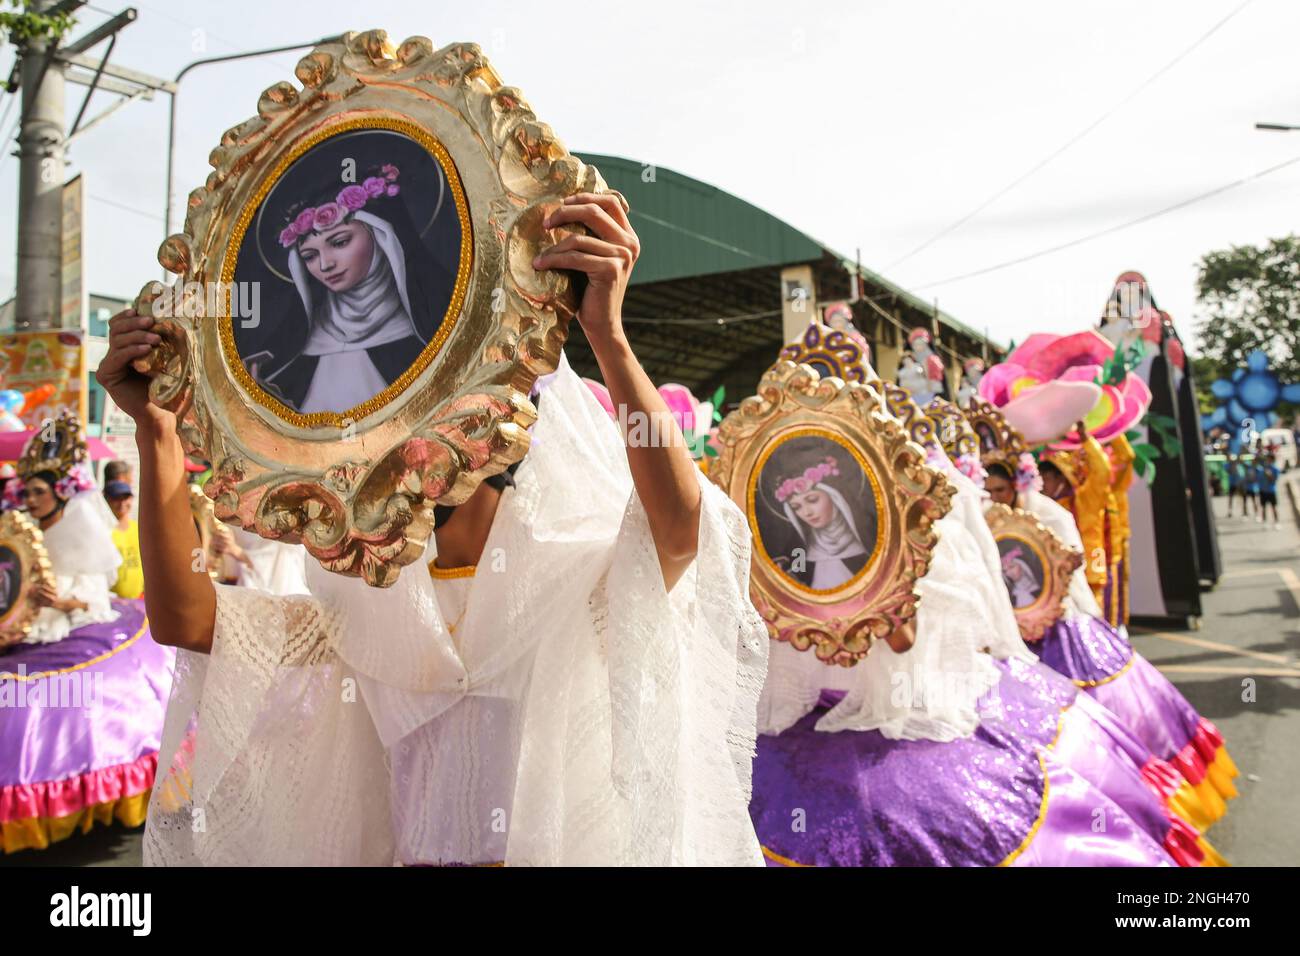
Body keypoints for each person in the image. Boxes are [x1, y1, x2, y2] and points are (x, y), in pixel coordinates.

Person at [97, 192, 769, 867]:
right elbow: (188, 622)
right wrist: (155, 430)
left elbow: (679, 533)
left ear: (499, 413)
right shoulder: (368, 593)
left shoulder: (571, 576)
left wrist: (609, 338)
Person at [104, 479, 144, 599]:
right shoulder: (104, 530)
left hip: (139, 599)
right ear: (106, 501)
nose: (121, 503)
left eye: (125, 498)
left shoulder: (138, 528)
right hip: (112, 602)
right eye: (116, 498)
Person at [1257, 454, 1280, 528]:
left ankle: (1276, 522)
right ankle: (1264, 522)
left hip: (1271, 491)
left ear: (1272, 460)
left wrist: (1269, 475)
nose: (1268, 461)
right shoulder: (1262, 469)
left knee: (1273, 507)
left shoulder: (1275, 469)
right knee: (1263, 507)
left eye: (1269, 459)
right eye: (1267, 459)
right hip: (1263, 490)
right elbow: (1258, 479)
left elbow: (1274, 480)